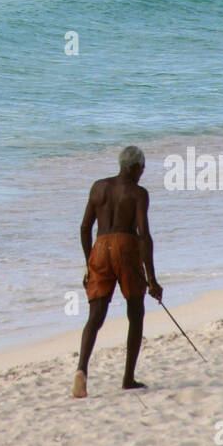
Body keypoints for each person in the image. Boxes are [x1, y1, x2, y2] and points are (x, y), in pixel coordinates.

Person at [72, 145, 163, 398]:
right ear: (135, 167)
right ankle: (128, 378)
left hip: (100, 248)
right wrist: (152, 279)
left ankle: (81, 370)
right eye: (142, 168)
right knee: (136, 312)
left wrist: (89, 264)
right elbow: (144, 235)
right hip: (126, 246)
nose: (143, 172)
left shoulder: (98, 187)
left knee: (95, 316)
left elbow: (84, 228)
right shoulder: (138, 193)